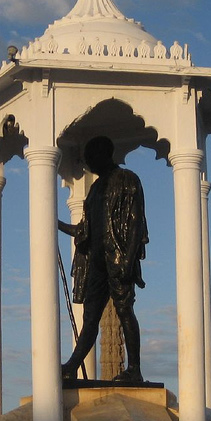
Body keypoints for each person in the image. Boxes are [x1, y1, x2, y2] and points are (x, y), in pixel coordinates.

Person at [58, 136, 148, 383]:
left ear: (103, 155)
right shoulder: (95, 189)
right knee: (90, 317)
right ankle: (72, 365)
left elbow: (136, 223)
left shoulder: (127, 180)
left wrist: (128, 261)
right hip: (96, 260)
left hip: (118, 257)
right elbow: (83, 230)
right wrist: (54, 224)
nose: (87, 163)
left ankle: (135, 369)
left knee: (124, 310)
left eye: (90, 158)